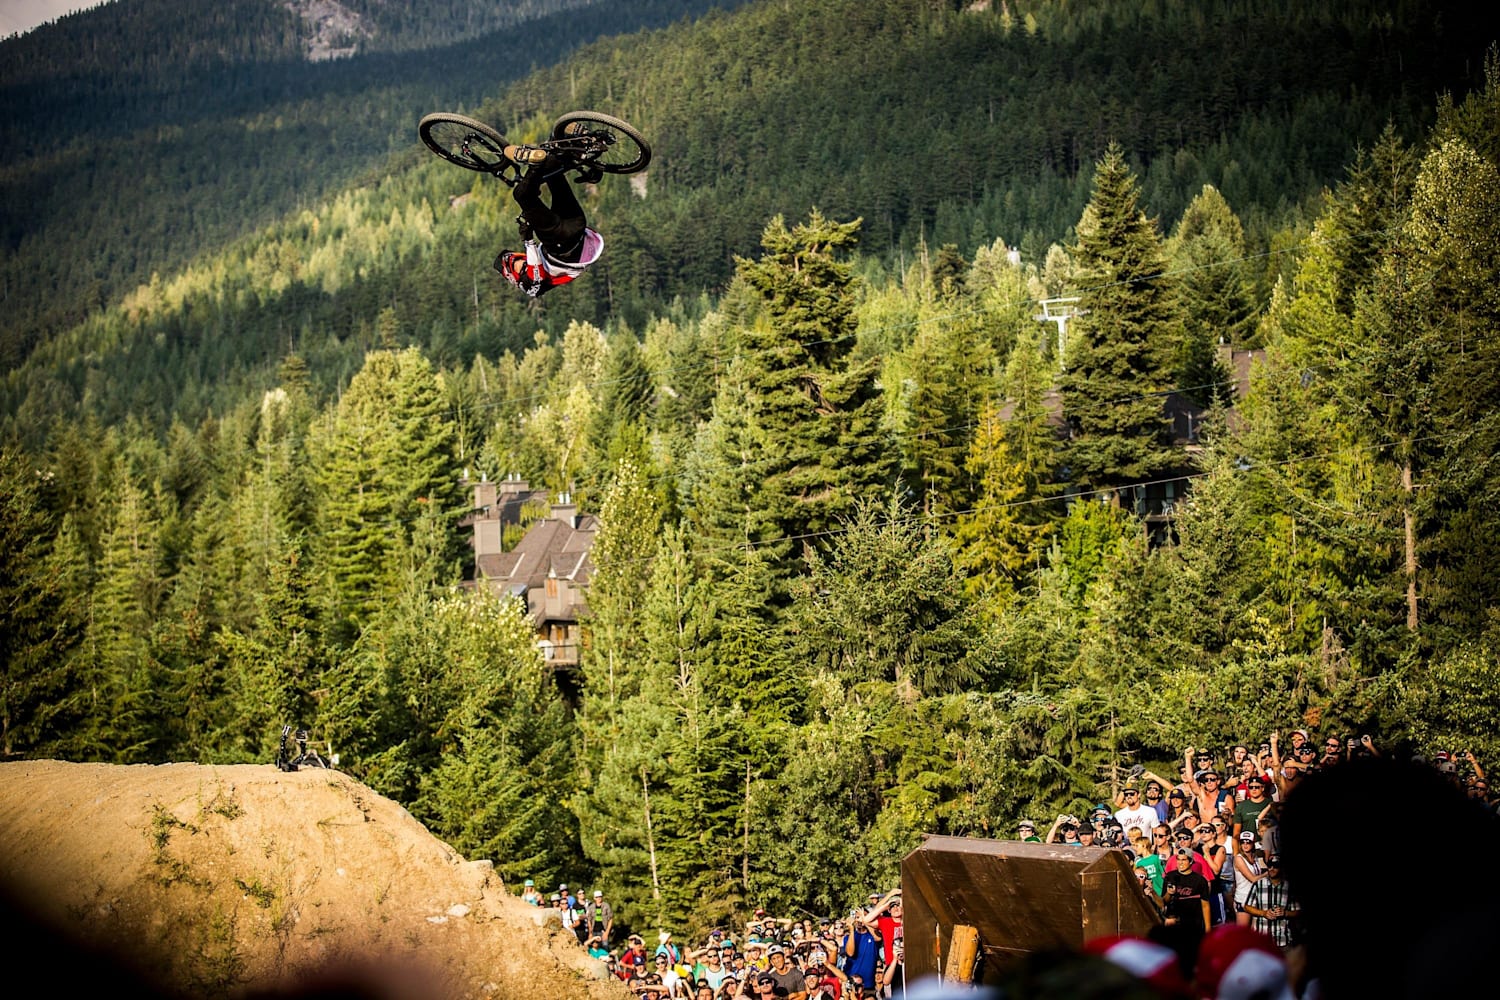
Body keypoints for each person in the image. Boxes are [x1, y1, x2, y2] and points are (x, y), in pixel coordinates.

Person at [494, 139, 604, 297]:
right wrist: (528, 240)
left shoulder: (542, 259)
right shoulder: (527, 285)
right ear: (511, 273)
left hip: (577, 227)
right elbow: (535, 272)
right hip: (563, 243)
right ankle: (535, 163)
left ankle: (585, 146)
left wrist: (532, 222)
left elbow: (537, 260)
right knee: (522, 195)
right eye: (516, 263)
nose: (523, 263)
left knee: (553, 169)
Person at [1241, 854, 1298, 947]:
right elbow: (1247, 907)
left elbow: (1298, 911)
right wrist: (1263, 913)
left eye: (1275, 866)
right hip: (1262, 939)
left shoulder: (1289, 887)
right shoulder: (1258, 884)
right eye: (1269, 865)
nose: (1271, 868)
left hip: (1283, 939)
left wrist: (1285, 913)